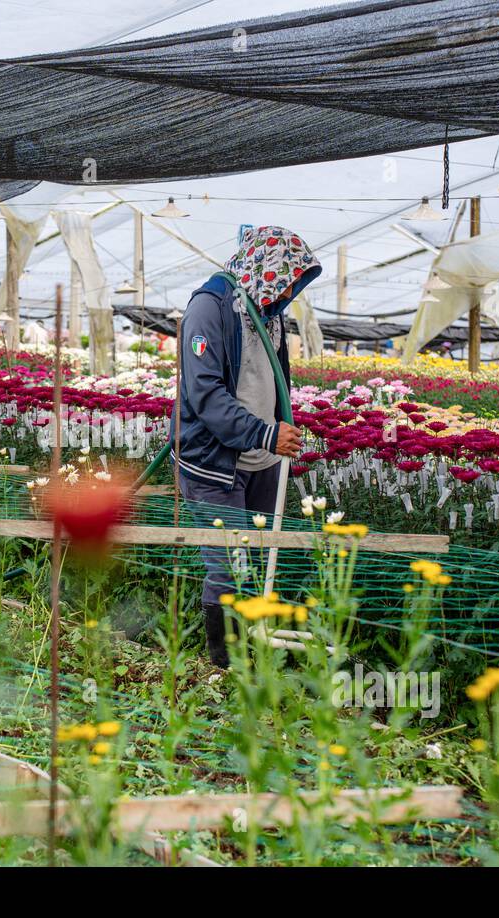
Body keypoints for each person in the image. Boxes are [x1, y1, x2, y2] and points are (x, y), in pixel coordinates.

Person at [170, 226, 322, 667]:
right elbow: (204, 393)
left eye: (297, 281)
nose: (291, 288)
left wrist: (277, 431)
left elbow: (270, 380)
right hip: (214, 460)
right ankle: (226, 666)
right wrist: (264, 432)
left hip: (262, 458)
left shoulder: (268, 308)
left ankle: (252, 654)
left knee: (253, 559)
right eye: (289, 277)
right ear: (266, 266)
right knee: (230, 565)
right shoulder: (209, 307)